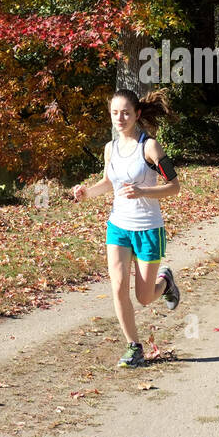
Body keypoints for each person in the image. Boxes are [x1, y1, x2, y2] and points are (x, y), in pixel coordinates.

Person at [71, 88, 181, 368]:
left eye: (125, 113)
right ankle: (134, 347)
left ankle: (166, 282)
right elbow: (109, 183)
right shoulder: (110, 148)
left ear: (137, 114)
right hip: (118, 227)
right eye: (114, 113)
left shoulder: (150, 147)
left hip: (148, 229)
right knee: (118, 287)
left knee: (143, 298)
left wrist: (144, 191)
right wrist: (87, 192)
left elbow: (174, 187)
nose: (119, 118)